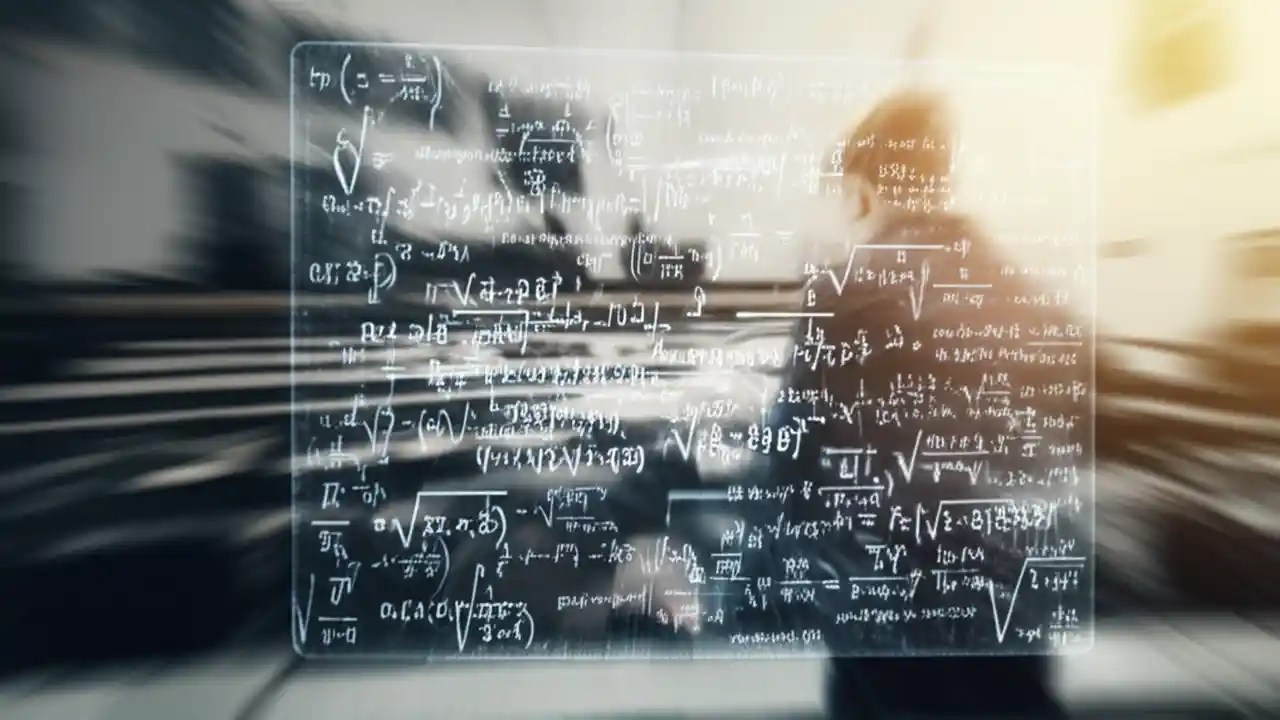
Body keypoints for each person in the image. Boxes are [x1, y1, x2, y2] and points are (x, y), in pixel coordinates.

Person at [766, 89, 1075, 718]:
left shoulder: (842, 293)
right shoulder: (1023, 291)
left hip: (887, 618)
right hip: (1004, 606)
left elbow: (790, 457)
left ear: (863, 190)